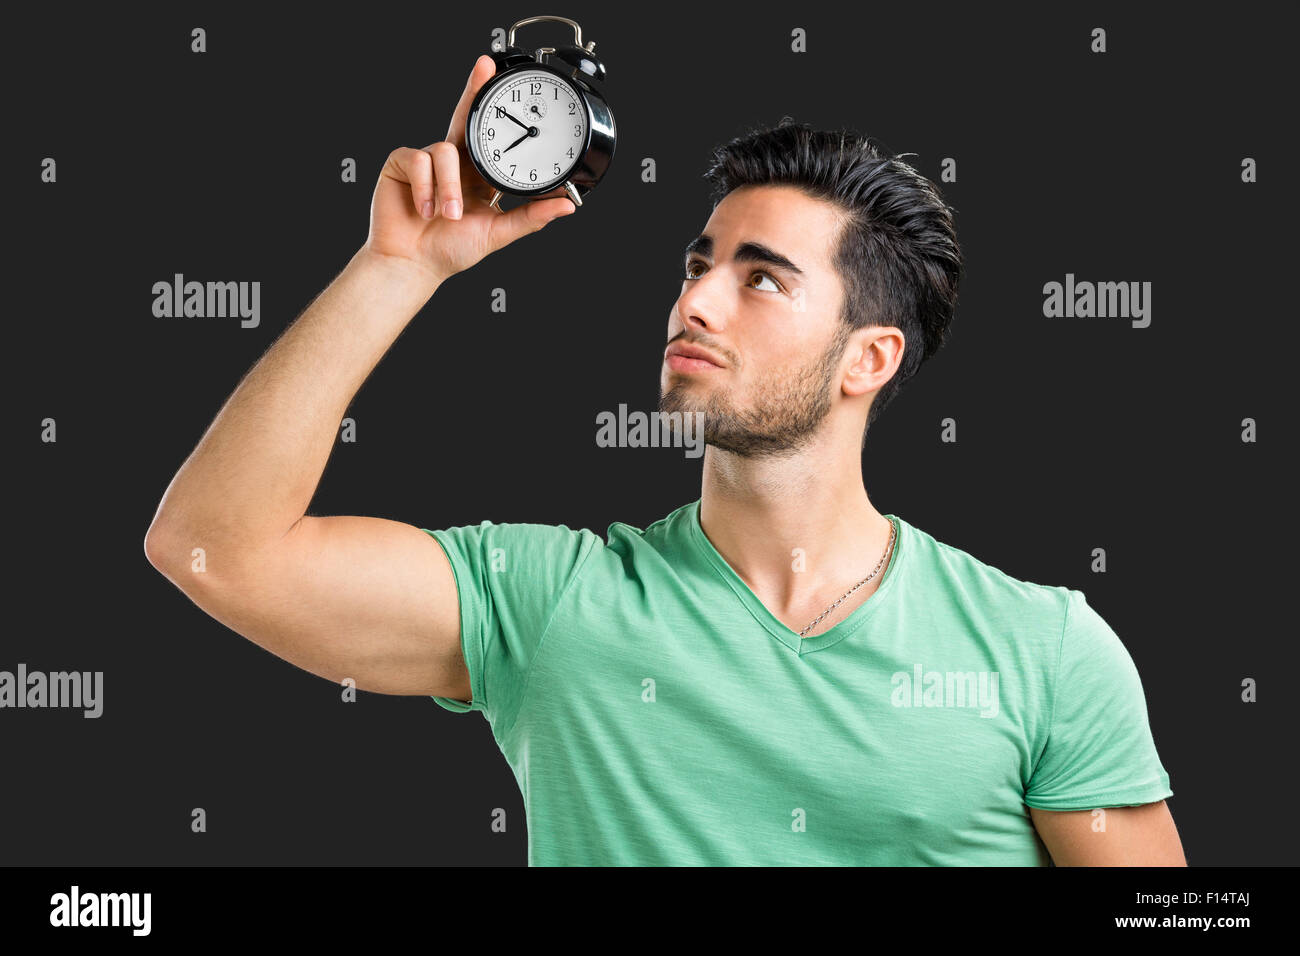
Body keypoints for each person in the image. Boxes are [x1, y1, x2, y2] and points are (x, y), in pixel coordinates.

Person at [145, 55, 1185, 866]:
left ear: (869, 357)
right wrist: (395, 267)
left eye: (761, 279)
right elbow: (213, 549)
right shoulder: (552, 605)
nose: (694, 300)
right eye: (699, 263)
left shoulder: (1044, 648)